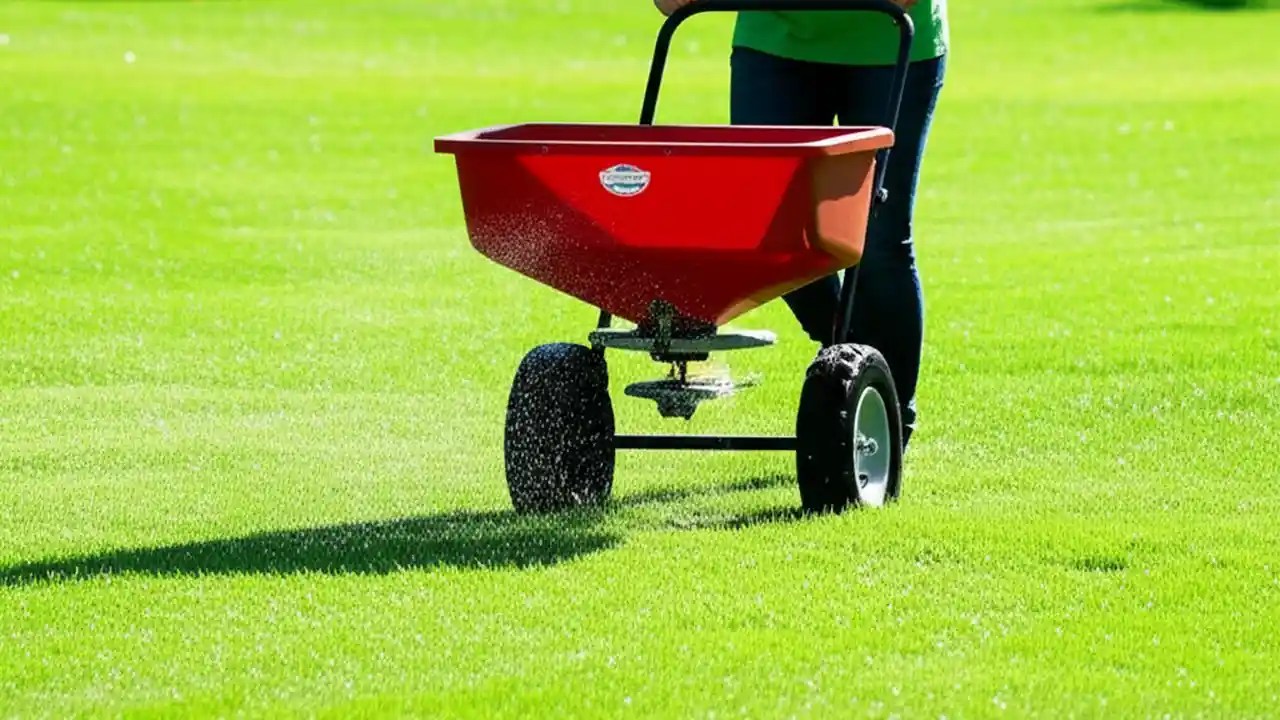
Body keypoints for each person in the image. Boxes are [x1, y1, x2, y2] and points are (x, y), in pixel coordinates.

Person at [653, 0, 947, 449]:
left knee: (879, 237)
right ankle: (853, 355)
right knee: (772, 228)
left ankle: (889, 423)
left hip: (888, 35)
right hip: (775, 41)